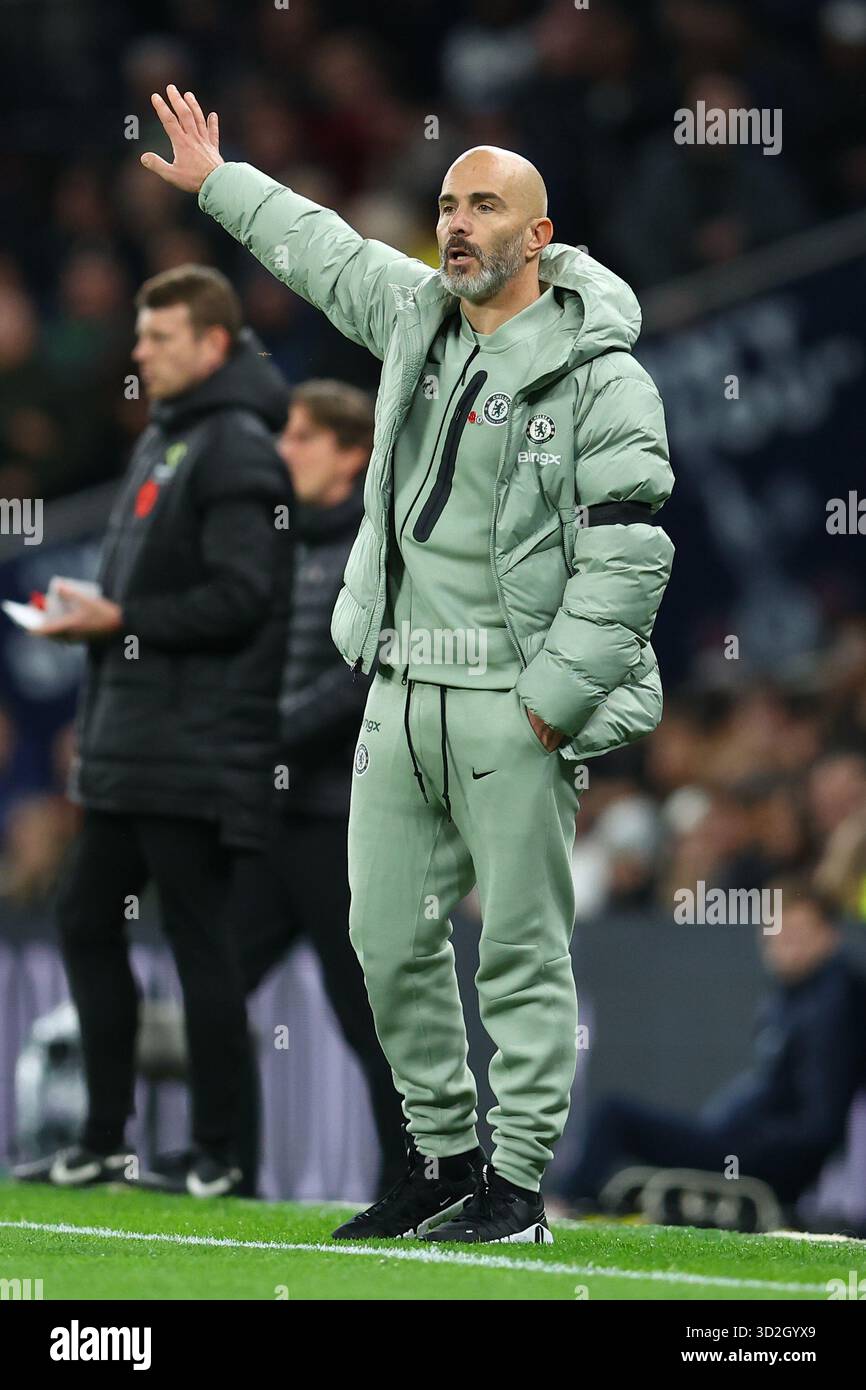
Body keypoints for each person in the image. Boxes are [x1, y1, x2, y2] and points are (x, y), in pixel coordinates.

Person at [142, 86, 674, 1243]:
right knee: (384, 942)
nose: (457, 223)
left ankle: (519, 1186)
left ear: (538, 236)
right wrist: (219, 181)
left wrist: (546, 706)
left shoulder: (601, 375)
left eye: (484, 206)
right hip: (397, 693)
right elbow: (324, 251)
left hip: (510, 703)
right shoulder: (416, 318)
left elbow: (629, 558)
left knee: (521, 951)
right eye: (446, 203)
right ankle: (438, 1161)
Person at [14, 265, 291, 1197]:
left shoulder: (239, 449)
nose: (139, 353)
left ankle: (222, 1154)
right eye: (140, 336)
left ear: (213, 344)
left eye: (159, 338)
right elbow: (163, 600)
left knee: (198, 941)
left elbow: (244, 600)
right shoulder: (169, 440)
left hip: (193, 746)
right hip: (137, 745)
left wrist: (116, 617)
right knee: (86, 916)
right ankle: (103, 1137)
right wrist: (104, 624)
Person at [235, 379, 405, 1196]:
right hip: (270, 820)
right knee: (213, 987)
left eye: (302, 437)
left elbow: (356, 680)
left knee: (369, 1018)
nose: (282, 449)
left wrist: (254, 736)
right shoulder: (277, 540)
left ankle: (415, 1182)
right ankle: (221, 1167)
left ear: (352, 455)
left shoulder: (377, 548)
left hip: (341, 824)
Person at [561, 877, 866, 1214]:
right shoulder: (798, 998)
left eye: (796, 934)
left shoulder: (833, 1005)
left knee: (614, 1115)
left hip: (756, 1159)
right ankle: (583, 1202)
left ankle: (563, 1202)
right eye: (774, 933)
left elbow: (819, 1124)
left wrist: (747, 1138)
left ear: (828, 936)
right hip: (737, 1143)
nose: (781, 944)